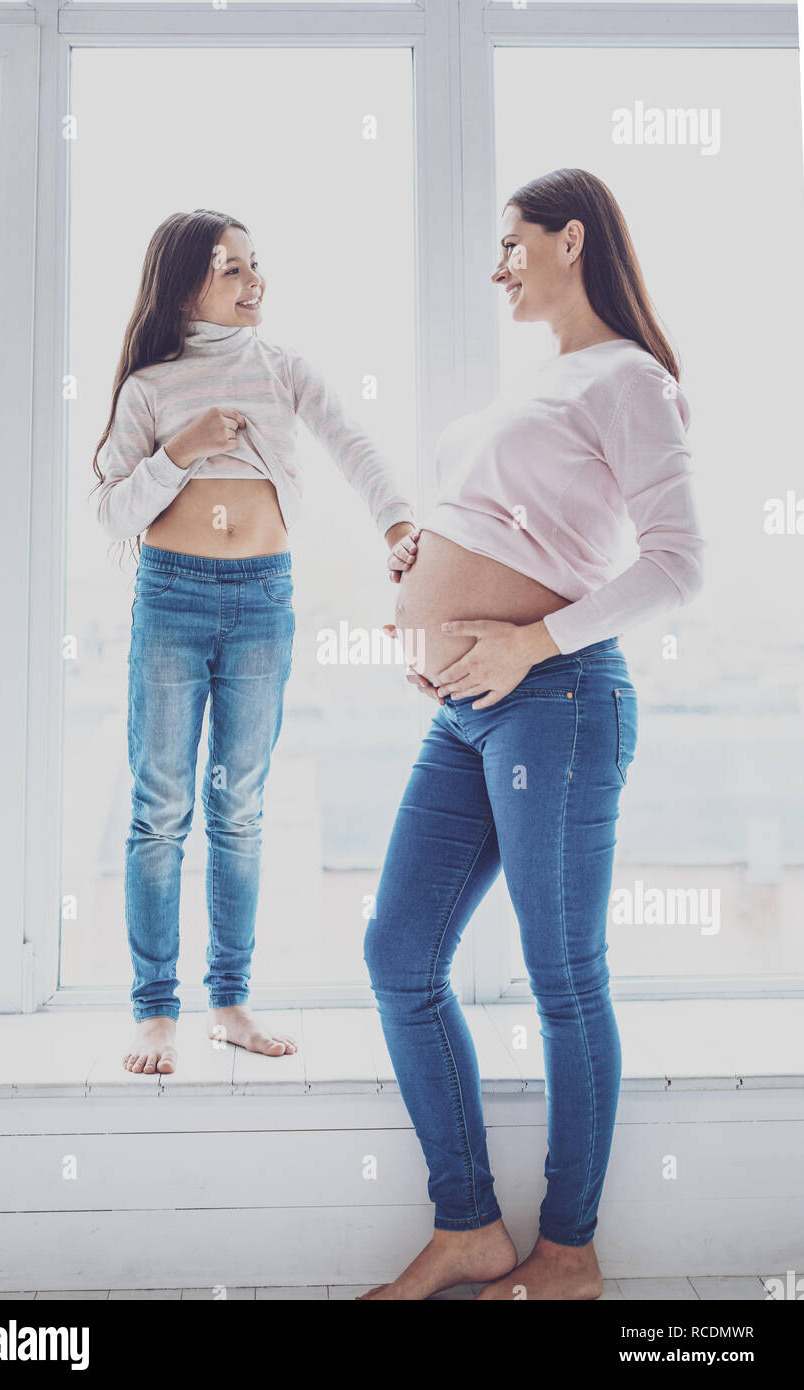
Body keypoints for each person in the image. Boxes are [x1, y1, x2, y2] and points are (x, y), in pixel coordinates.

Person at [363, 168, 705, 1300]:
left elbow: (674, 565)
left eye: (512, 242)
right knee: (398, 956)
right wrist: (422, 578)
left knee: (563, 975)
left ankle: (566, 1253)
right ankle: (466, 1225)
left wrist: (521, 643)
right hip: (466, 712)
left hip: (554, 704)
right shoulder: (547, 386)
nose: (497, 263)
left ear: (570, 240)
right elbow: (502, 533)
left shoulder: (629, 380)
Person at [92, 209, 417, 1076]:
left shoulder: (283, 371)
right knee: (161, 808)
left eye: (254, 264)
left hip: (262, 601)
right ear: (186, 285)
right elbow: (110, 509)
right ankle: (156, 1011)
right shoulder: (151, 387)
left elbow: (350, 441)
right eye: (230, 269)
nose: (253, 281)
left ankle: (228, 1002)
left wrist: (395, 521)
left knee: (239, 808)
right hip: (171, 599)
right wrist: (185, 451)